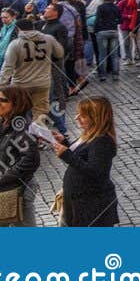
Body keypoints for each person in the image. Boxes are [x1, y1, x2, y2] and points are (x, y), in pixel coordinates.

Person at [51, 94, 119, 227]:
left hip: (90, 207)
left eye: (82, 116)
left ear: (95, 118)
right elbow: (82, 154)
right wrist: (64, 143)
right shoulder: (89, 135)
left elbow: (95, 171)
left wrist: (67, 155)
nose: (77, 118)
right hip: (77, 203)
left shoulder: (102, 141)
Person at [0, 16, 63, 136]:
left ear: (18, 29)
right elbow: (59, 53)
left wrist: (0, 86)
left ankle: (19, 137)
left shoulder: (15, 44)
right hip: (42, 83)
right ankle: (39, 137)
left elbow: (8, 67)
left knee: (18, 113)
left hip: (20, 85)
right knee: (40, 113)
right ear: (33, 27)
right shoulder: (49, 39)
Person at [0, 86, 41, 225]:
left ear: (17, 104)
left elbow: (31, 160)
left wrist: (2, 178)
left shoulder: (22, 128)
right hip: (4, 186)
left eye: (3, 100)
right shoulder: (6, 123)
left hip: (17, 190)